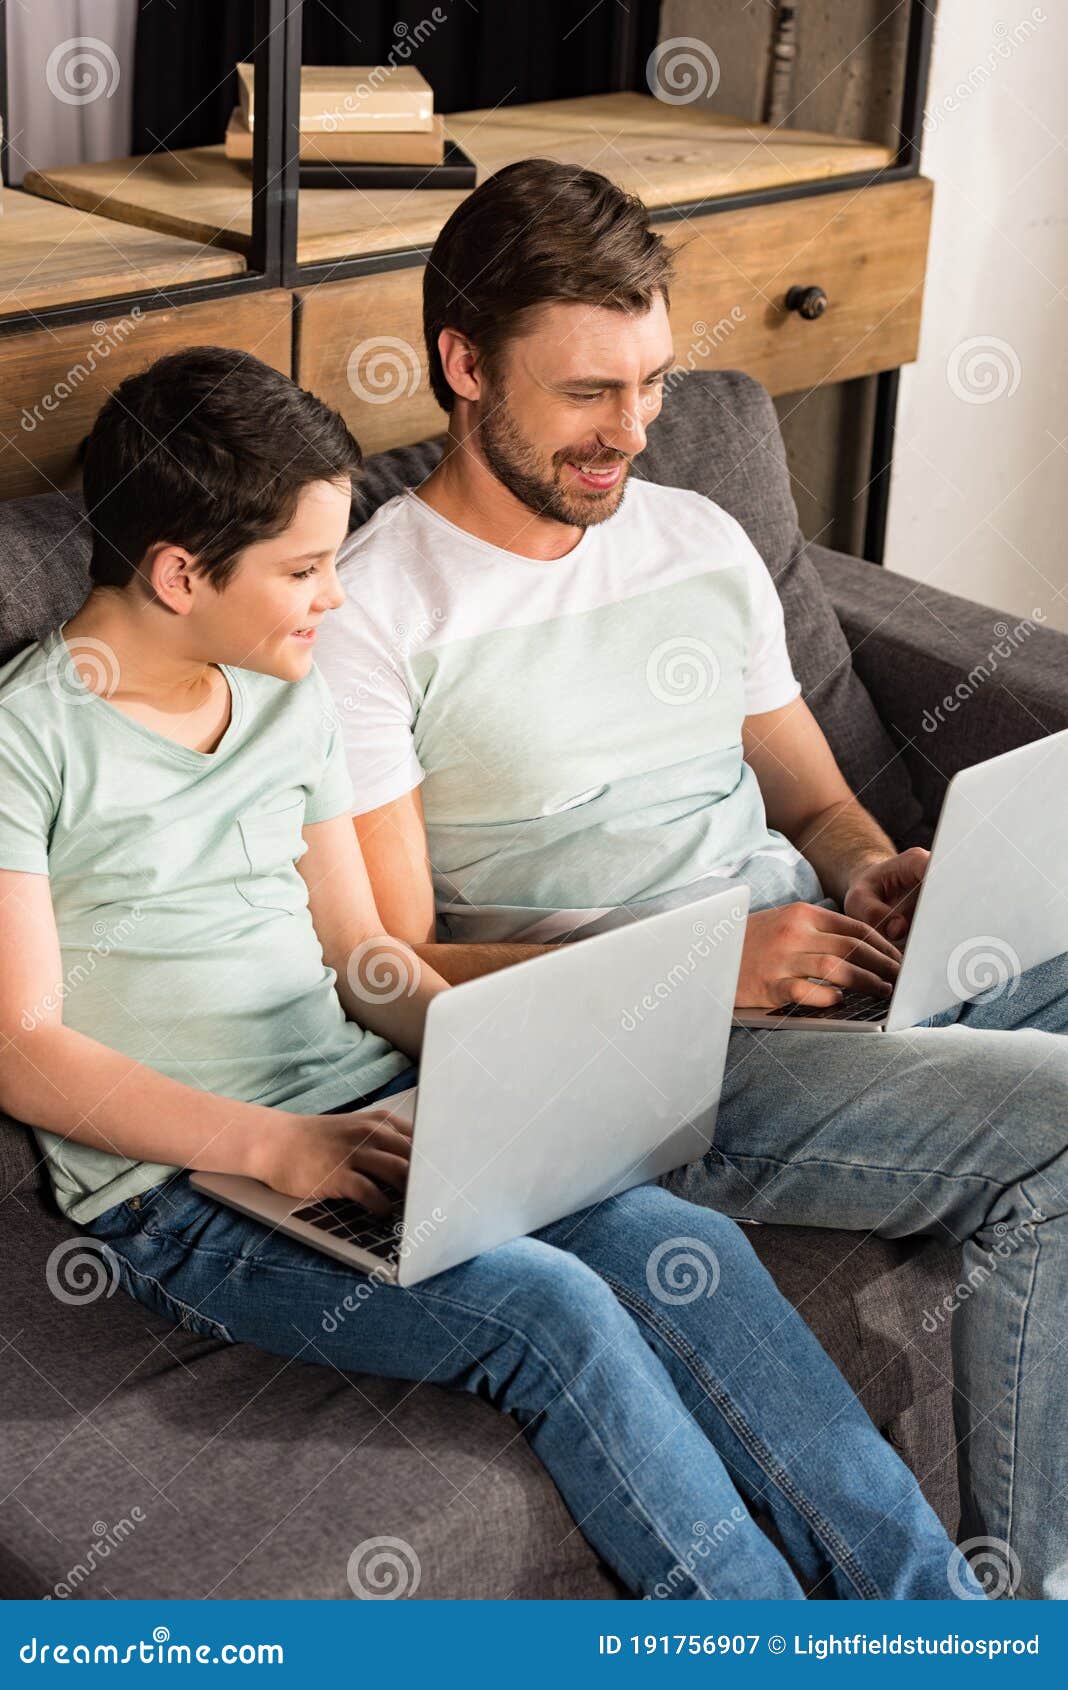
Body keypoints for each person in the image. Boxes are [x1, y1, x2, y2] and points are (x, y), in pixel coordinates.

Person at [0, 347, 977, 1602]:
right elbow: (24, 1048)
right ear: (181, 574)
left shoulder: (281, 697)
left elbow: (367, 963)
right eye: (303, 571)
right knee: (549, 1315)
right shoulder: (32, 743)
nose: (333, 600)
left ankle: (933, 1620)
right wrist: (281, 1148)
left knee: (684, 1244)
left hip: (381, 1114)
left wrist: (526, 1040)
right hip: (188, 1186)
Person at [312, 158, 1068, 1601]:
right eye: (588, 393)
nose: (633, 431)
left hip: (824, 966)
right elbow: (388, 970)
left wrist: (877, 870)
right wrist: (700, 966)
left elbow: (814, 793)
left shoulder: (695, 537)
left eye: (653, 382)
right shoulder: (372, 610)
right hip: (658, 1055)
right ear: (463, 364)